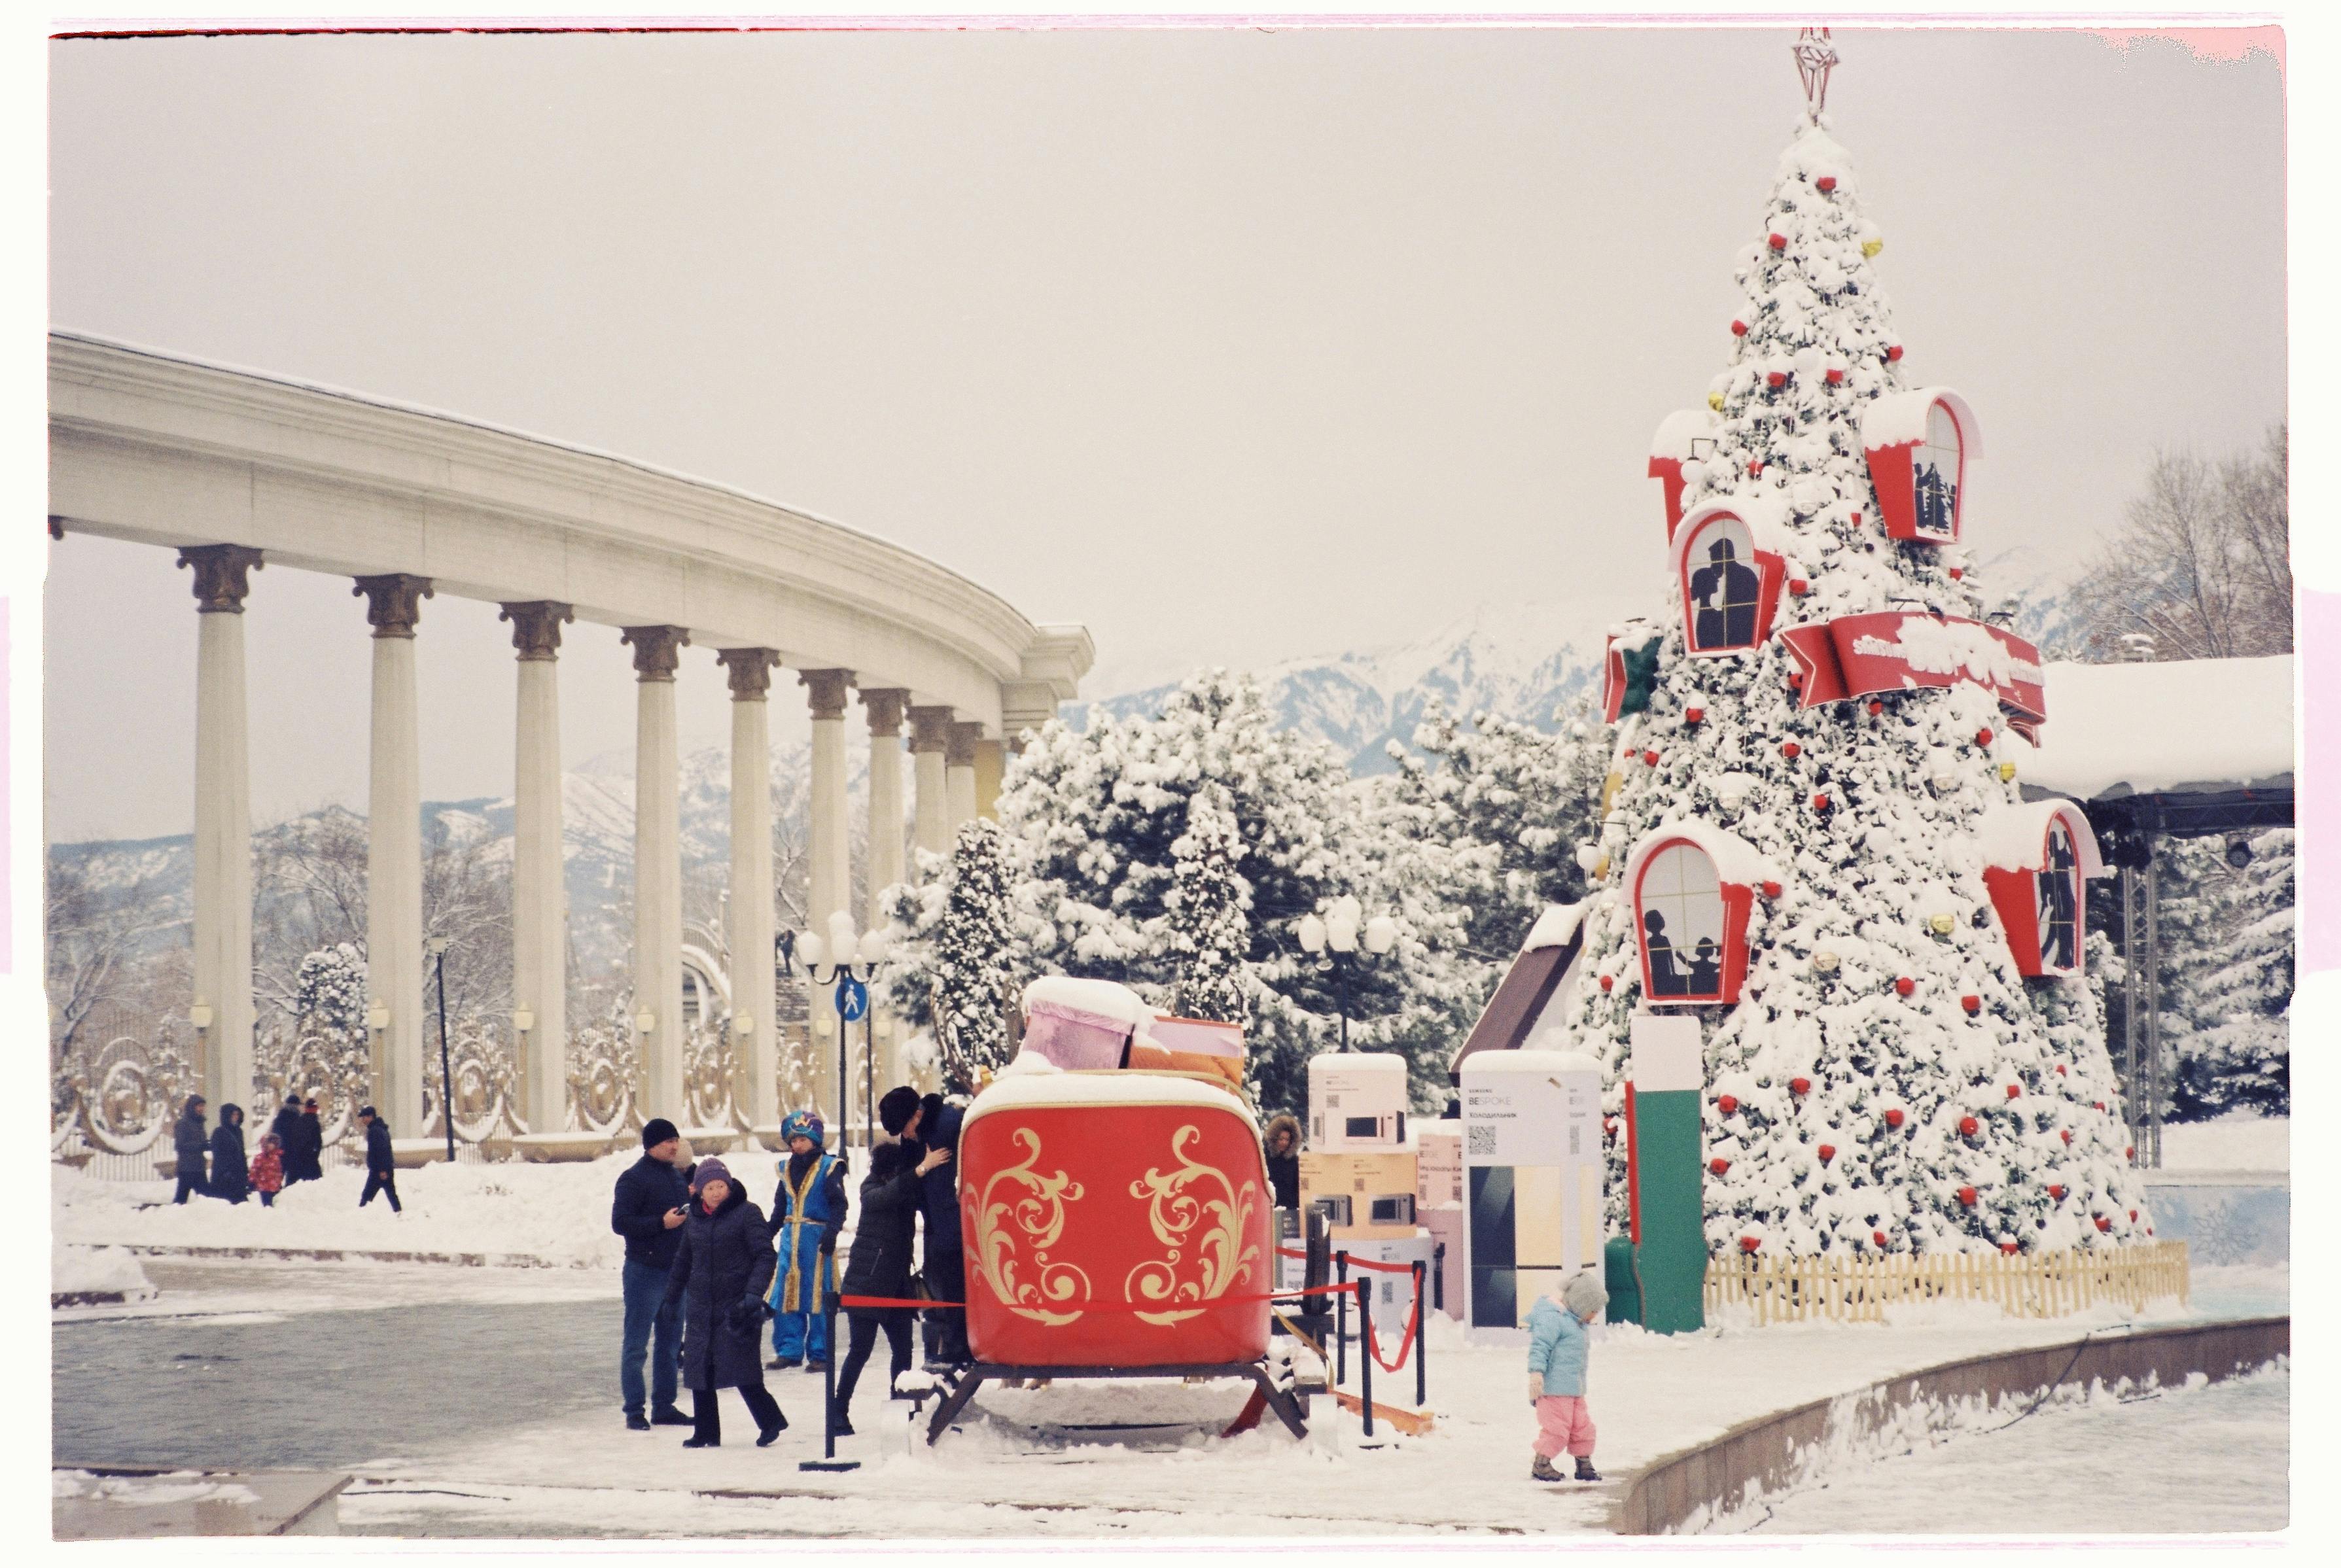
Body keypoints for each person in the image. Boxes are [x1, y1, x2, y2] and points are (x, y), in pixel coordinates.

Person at [662, 1157, 786, 1448]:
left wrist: (754, 1294)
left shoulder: (747, 1213)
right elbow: (684, 1259)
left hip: (737, 1304)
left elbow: (766, 1255)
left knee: (742, 1367)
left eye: (721, 1186)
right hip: (701, 1304)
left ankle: (770, 1421)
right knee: (698, 1367)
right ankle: (706, 1432)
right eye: (710, 1188)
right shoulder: (694, 1217)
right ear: (699, 1192)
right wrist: (672, 1295)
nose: (717, 1192)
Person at [832, 1139, 951, 1436]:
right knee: (860, 1350)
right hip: (866, 1283)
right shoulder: (870, 1188)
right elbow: (885, 1196)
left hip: (897, 1286)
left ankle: (900, 1407)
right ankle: (838, 1411)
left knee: (903, 1350)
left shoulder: (903, 1187)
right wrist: (922, 1168)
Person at [611, 1117, 694, 1431]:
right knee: (637, 1344)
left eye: (675, 1140)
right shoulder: (633, 1179)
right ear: (651, 1146)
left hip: (675, 1272)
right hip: (644, 1271)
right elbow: (621, 1223)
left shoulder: (675, 1177)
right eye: (667, 1142)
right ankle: (634, 1409)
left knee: (671, 1344)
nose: (674, 1146)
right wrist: (661, 1224)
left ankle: (664, 1405)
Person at [765, 1110, 849, 1372]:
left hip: (817, 1239)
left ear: (815, 1139)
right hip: (791, 1240)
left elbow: (839, 1205)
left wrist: (832, 1233)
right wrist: (767, 1233)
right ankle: (788, 1350)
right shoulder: (786, 1169)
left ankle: (820, 1353)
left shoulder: (829, 1167)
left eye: (802, 1139)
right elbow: (781, 1208)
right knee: (787, 1293)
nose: (797, 1144)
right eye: (793, 1140)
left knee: (819, 1296)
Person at [1526, 1269, 1608, 1483]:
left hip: (1574, 1389)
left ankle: (1584, 1464)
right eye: (1593, 1310)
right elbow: (1540, 1347)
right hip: (1553, 1389)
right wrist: (1536, 1374)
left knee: (1583, 1427)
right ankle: (1541, 1463)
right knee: (1557, 1429)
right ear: (1580, 1304)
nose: (1595, 1315)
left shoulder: (1576, 1323)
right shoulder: (1554, 1320)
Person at [912, 1091, 970, 1367]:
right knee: (944, 1290)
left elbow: (943, 1188)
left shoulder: (942, 1128)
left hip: (949, 1227)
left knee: (951, 1290)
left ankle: (955, 1346)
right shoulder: (934, 1128)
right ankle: (949, 1345)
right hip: (943, 1226)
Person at [357, 1106, 402, 1212]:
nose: (362, 1120)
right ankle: (398, 1211)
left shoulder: (374, 1131)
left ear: (371, 1117)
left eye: (364, 1117)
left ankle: (361, 1214)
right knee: (390, 1193)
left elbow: (380, 1150)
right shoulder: (381, 1129)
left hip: (379, 1170)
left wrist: (382, 1169)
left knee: (367, 1195)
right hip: (385, 1168)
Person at [208, 1103, 250, 1204]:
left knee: (241, 1204)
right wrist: (226, 1171)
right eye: (233, 1115)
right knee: (226, 1203)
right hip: (224, 1175)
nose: (236, 1117)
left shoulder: (238, 1131)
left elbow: (241, 1151)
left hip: (238, 1174)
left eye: (237, 1114)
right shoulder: (219, 1132)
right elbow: (218, 1154)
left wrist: (245, 1170)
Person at [171, 1096, 209, 1204]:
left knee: (203, 1197)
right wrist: (200, 1146)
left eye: (203, 1106)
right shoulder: (183, 1124)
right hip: (187, 1167)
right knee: (184, 1199)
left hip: (198, 1166)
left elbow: (200, 1141)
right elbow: (181, 1145)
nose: (202, 1109)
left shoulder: (199, 1122)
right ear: (192, 1107)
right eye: (199, 1106)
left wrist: (206, 1145)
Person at [1263, 1113, 1301, 1210]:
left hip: (1289, 1210)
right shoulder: (1265, 1158)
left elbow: (1297, 1187)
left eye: (1287, 1140)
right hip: (1269, 1208)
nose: (1284, 1142)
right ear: (1275, 1139)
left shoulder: (1294, 1161)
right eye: (1281, 1139)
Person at [288, 1097, 325, 1184]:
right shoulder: (315, 1124)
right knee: (314, 1183)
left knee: (295, 1184)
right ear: (316, 1110)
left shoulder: (298, 1121)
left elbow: (293, 1139)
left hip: (297, 1158)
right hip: (310, 1158)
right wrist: (315, 1154)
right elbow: (318, 1142)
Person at [250, 1132, 286, 1208]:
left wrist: (279, 1183)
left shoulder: (278, 1157)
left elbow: (279, 1172)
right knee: (267, 1206)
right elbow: (254, 1171)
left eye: (273, 1144)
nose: (271, 1146)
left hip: (275, 1187)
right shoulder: (260, 1158)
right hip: (264, 1187)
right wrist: (252, 1182)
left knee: (276, 1205)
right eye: (269, 1143)